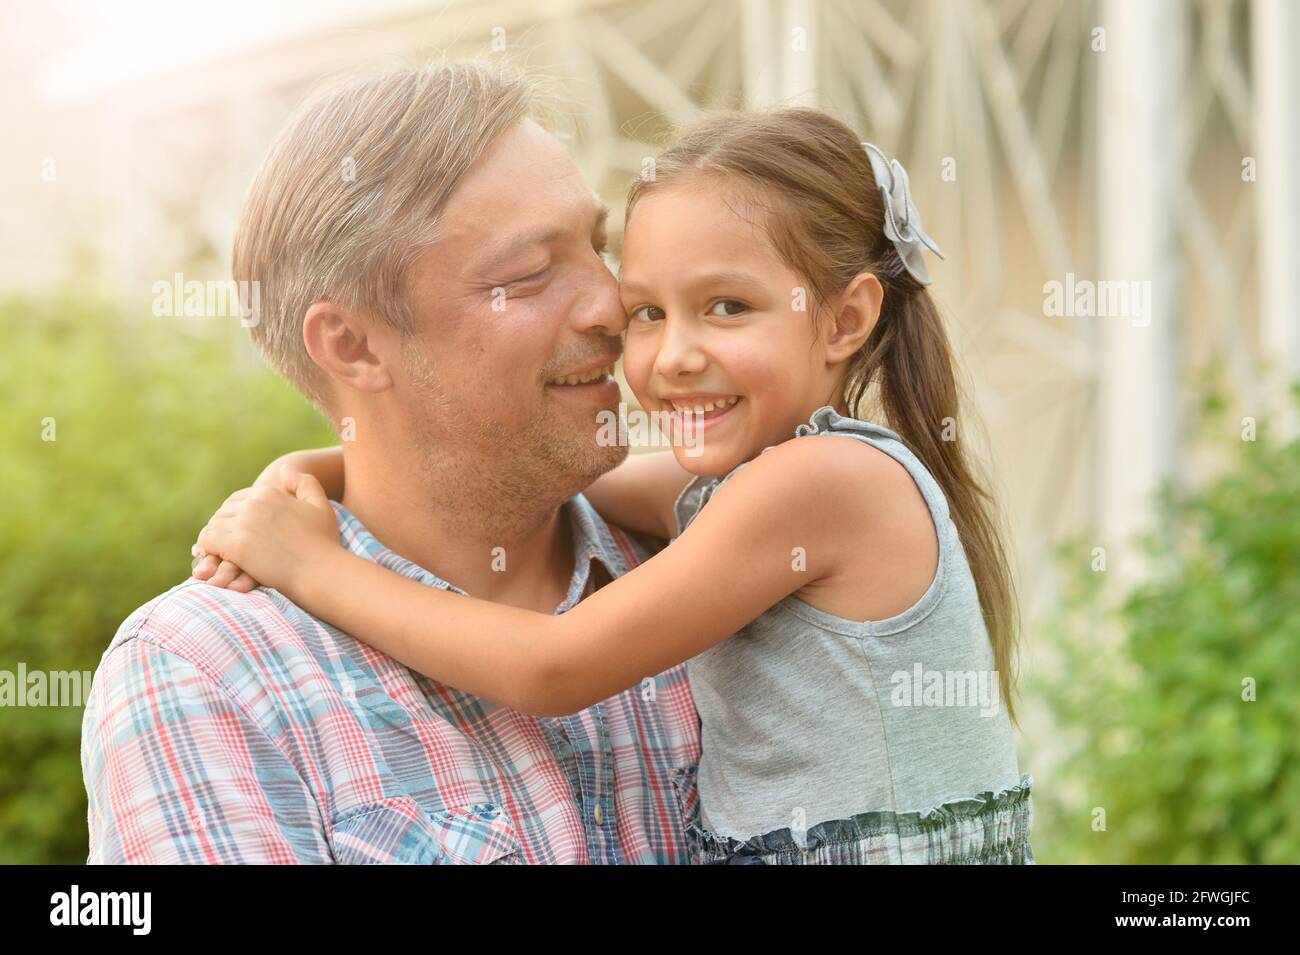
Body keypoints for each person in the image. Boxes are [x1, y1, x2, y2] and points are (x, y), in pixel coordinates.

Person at [194, 107, 1035, 865]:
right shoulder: (749, 486)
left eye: (728, 307)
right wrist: (303, 475)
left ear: (847, 319)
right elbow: (559, 490)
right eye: (648, 312)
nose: (670, 356)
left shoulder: (824, 483)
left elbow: (556, 666)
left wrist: (313, 567)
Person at [80, 61, 701, 864]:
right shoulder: (208, 676)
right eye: (530, 274)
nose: (613, 304)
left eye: (598, 245)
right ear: (351, 345)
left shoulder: (718, 558)